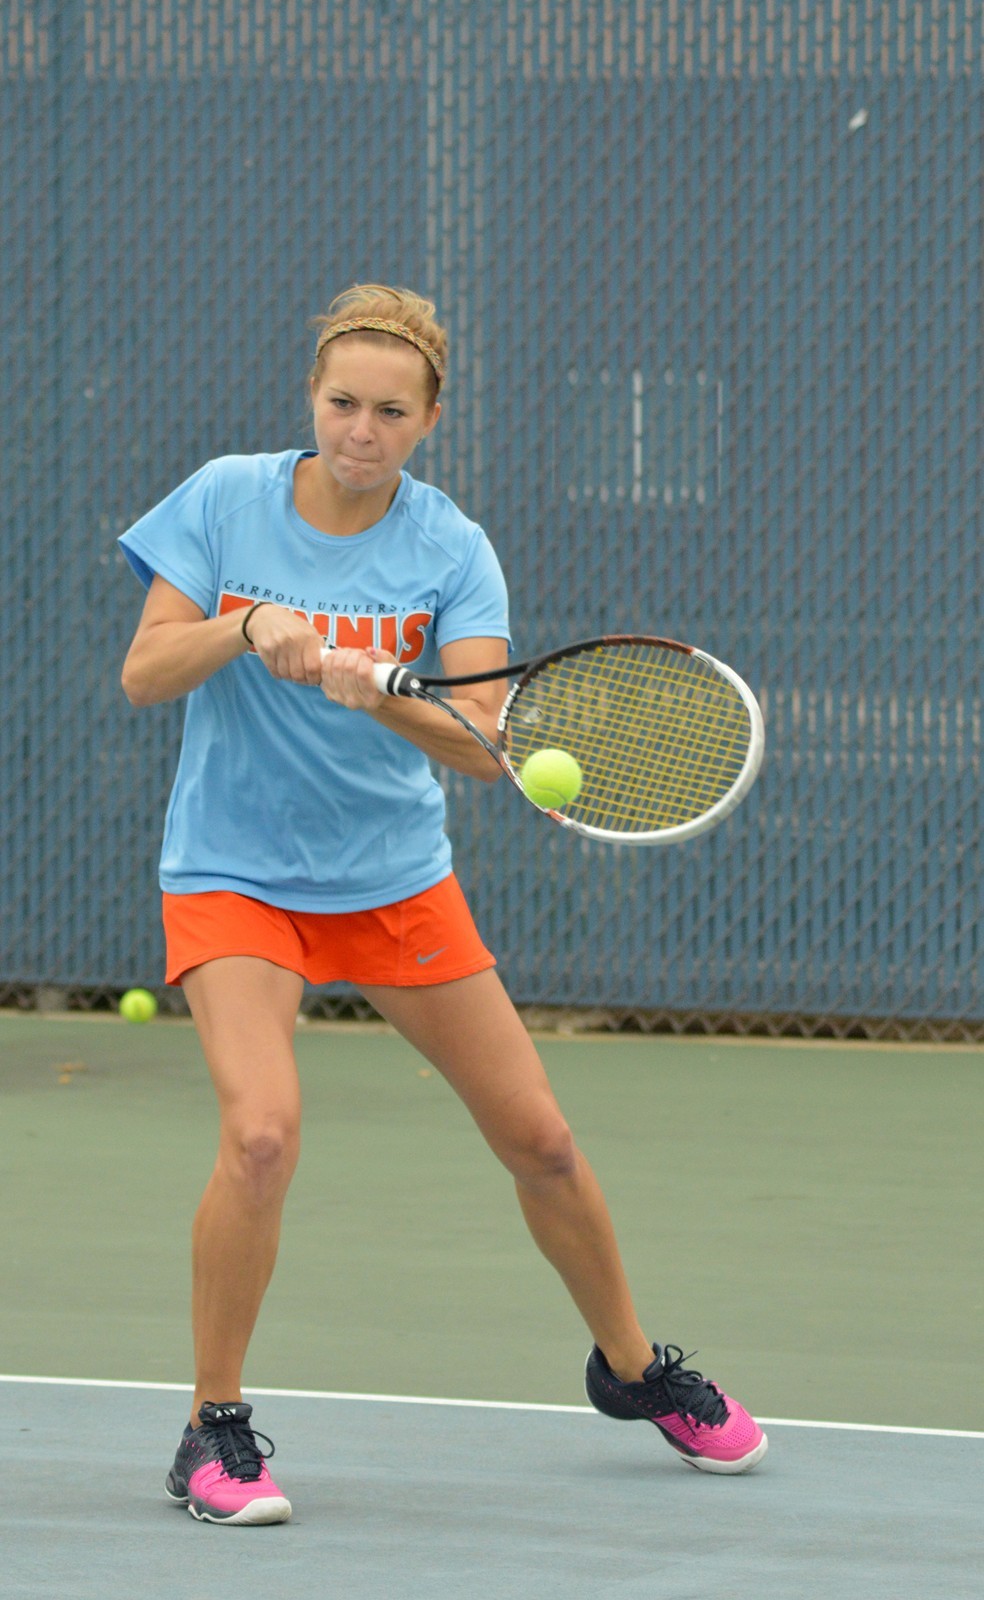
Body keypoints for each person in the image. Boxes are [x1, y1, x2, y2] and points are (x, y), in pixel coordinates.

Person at [119, 283, 767, 1526]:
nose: (360, 430)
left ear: (428, 421)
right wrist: (251, 624)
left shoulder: (450, 549)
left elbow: (486, 747)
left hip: (393, 879)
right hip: (234, 874)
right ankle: (212, 1429)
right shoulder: (221, 499)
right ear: (313, 398)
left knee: (542, 1141)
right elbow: (148, 668)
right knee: (261, 1134)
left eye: (389, 411)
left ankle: (631, 1369)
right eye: (341, 402)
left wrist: (383, 698)